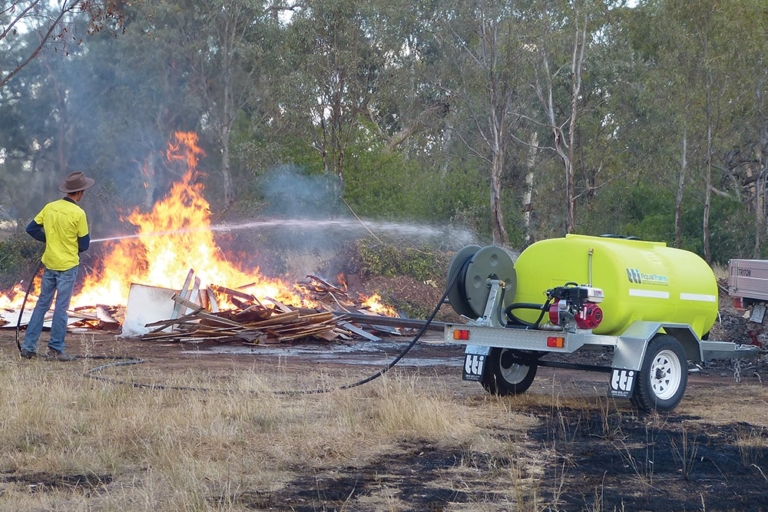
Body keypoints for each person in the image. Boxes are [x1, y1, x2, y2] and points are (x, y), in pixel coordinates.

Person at [20, 171, 95, 361]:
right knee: (61, 308)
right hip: (68, 266)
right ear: (80, 192)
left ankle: (28, 347)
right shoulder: (78, 213)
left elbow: (31, 229)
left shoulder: (50, 207)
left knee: (42, 305)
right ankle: (55, 349)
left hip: (50, 264)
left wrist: (50, 239)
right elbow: (84, 245)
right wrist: (68, 243)